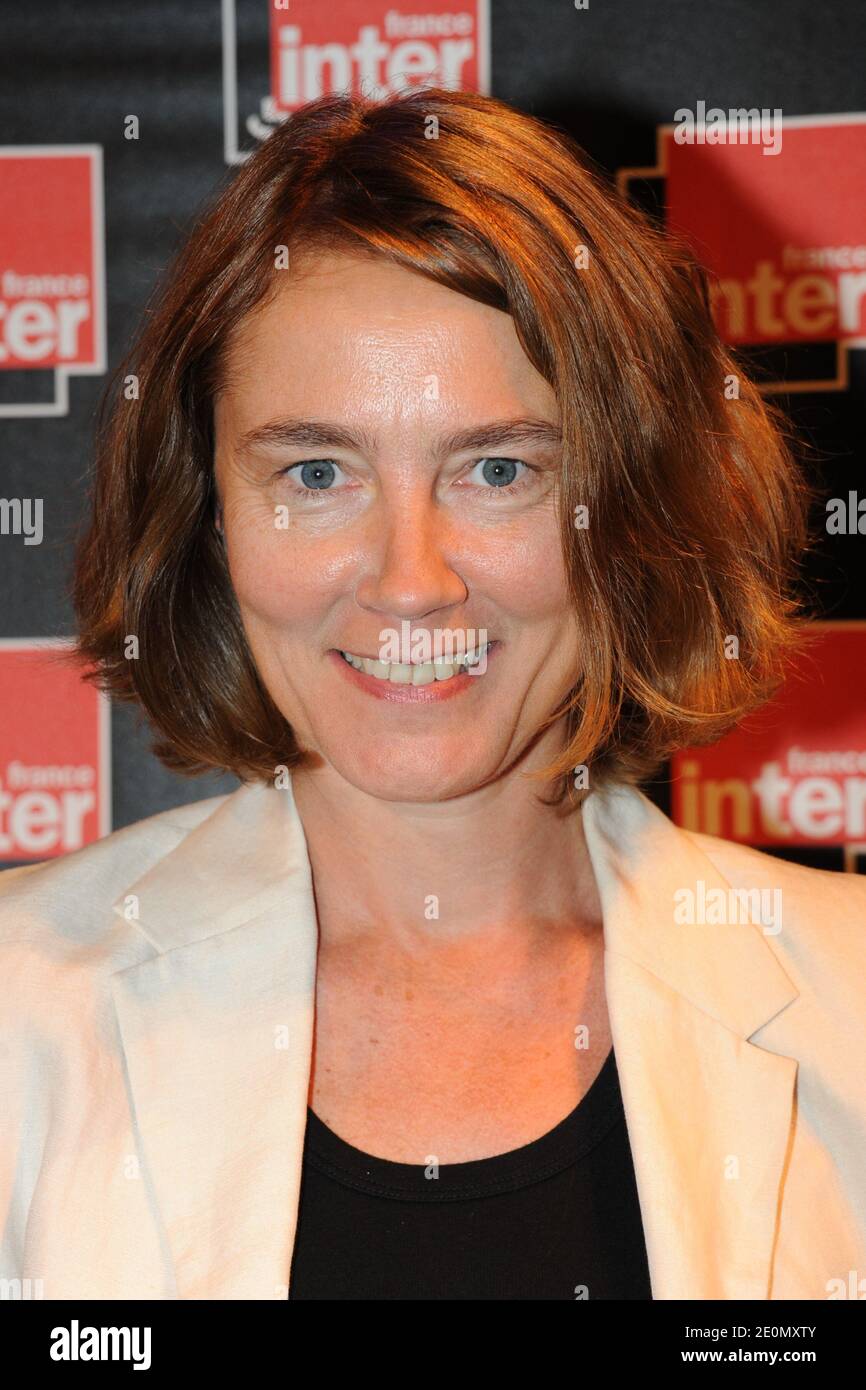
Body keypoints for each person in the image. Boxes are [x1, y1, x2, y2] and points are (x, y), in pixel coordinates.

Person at [1, 86, 864, 1302]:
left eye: (498, 469)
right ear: (209, 521)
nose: (410, 581)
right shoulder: (17, 1013)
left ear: (632, 511)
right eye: (315, 470)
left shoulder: (851, 1008)